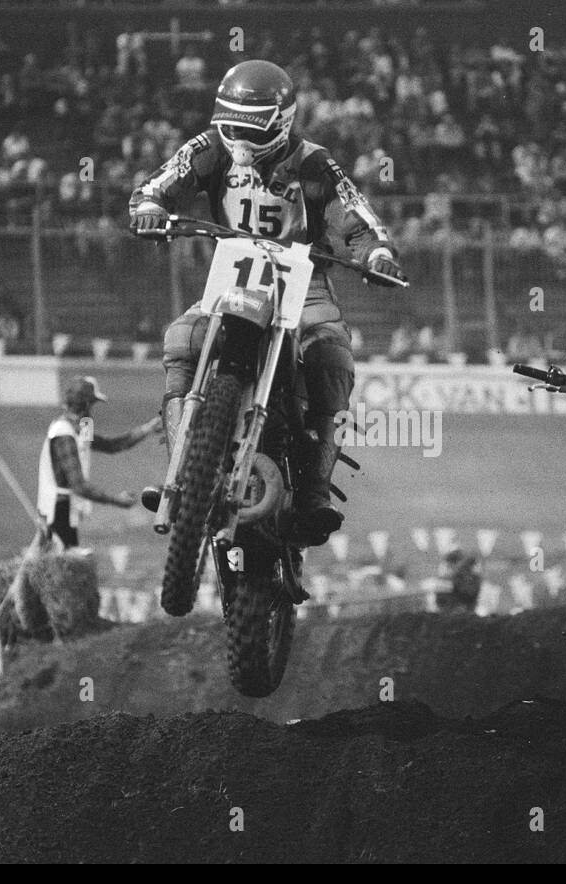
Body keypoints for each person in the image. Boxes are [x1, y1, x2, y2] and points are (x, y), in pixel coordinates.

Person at [128, 60, 406, 546]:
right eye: (230, 123)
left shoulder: (316, 163)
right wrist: (150, 207)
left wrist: (377, 252)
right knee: (181, 340)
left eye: (248, 128)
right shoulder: (208, 147)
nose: (237, 138)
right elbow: (157, 185)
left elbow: (356, 215)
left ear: (281, 123)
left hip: (306, 281)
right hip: (233, 274)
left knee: (331, 355)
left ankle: (315, 491)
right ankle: (179, 473)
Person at [36, 375, 160, 549]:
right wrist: (117, 500)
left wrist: (147, 429)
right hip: (58, 510)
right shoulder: (63, 434)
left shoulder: (79, 428)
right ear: (85, 405)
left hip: (65, 507)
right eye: (92, 404)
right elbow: (79, 485)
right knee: (64, 562)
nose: (93, 410)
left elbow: (110, 445)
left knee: (54, 559)